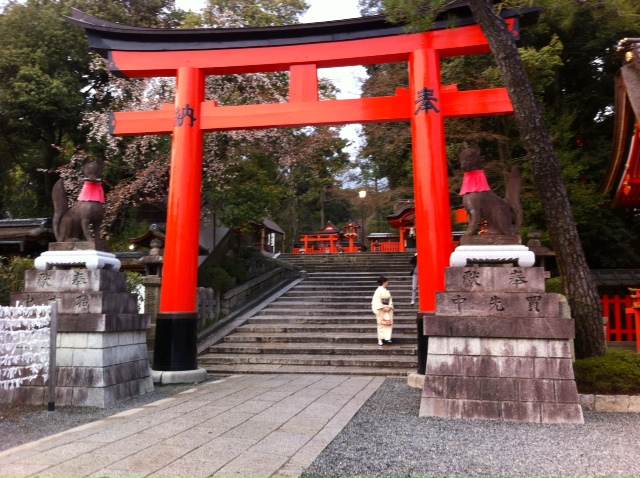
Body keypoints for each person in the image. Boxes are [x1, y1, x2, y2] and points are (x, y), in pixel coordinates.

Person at [371, 276, 393, 346]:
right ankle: (380, 339)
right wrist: (382, 308)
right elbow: (376, 301)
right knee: (381, 324)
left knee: (388, 323)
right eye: (387, 282)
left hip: (388, 309)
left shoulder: (387, 291)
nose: (388, 283)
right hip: (381, 309)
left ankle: (387, 337)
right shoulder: (378, 291)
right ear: (384, 283)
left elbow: (390, 300)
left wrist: (390, 307)